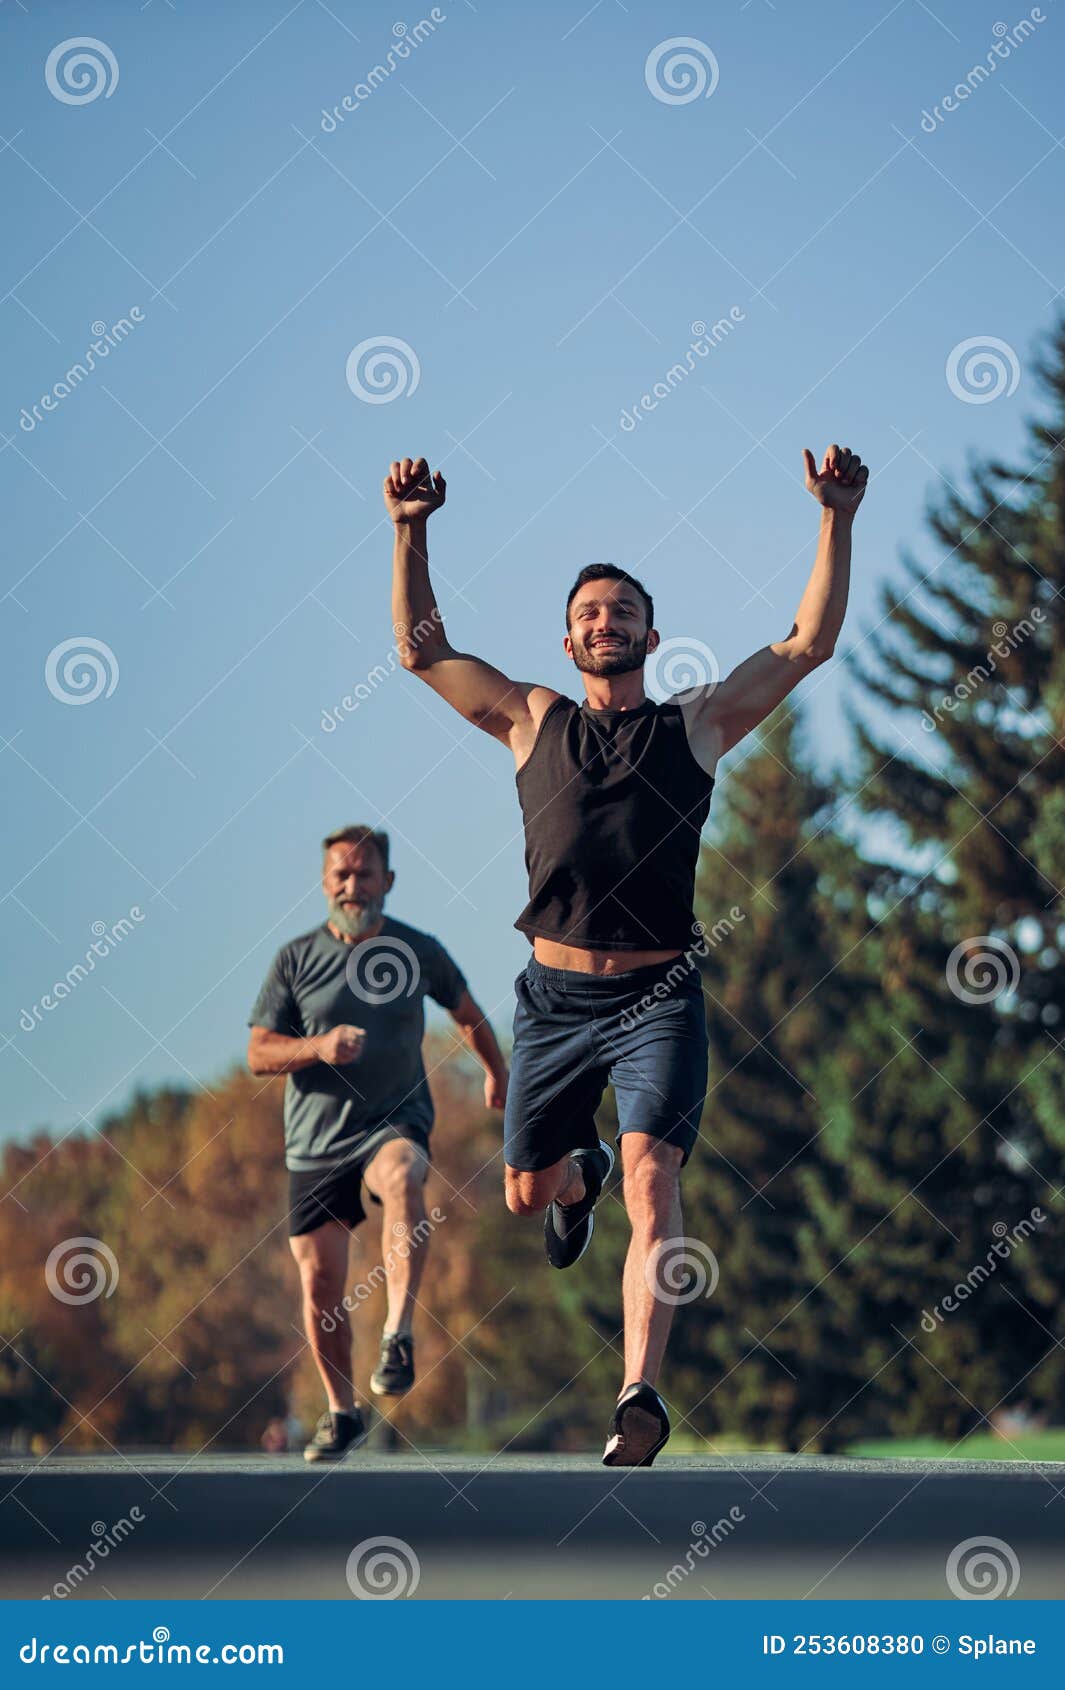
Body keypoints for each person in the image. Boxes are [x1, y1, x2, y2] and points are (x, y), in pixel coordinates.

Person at [386, 445, 869, 1465]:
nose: (605, 621)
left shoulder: (695, 724)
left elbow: (807, 643)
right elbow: (422, 655)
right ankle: (576, 1180)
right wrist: (410, 530)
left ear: (651, 636)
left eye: (622, 612)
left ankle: (638, 1395)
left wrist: (835, 514)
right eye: (589, 613)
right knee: (525, 1190)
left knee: (656, 1181)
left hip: (659, 996)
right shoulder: (530, 718)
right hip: (553, 1001)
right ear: (567, 640)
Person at [248, 825, 508, 1463]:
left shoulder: (417, 950)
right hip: (315, 1141)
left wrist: (499, 1074)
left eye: (364, 873)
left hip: (393, 1120)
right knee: (319, 1284)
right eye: (341, 873)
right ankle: (342, 1412)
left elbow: (467, 1012)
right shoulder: (294, 959)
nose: (352, 885)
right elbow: (258, 1053)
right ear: (324, 882)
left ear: (387, 881)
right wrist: (318, 1047)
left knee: (402, 1175)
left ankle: (397, 1334)